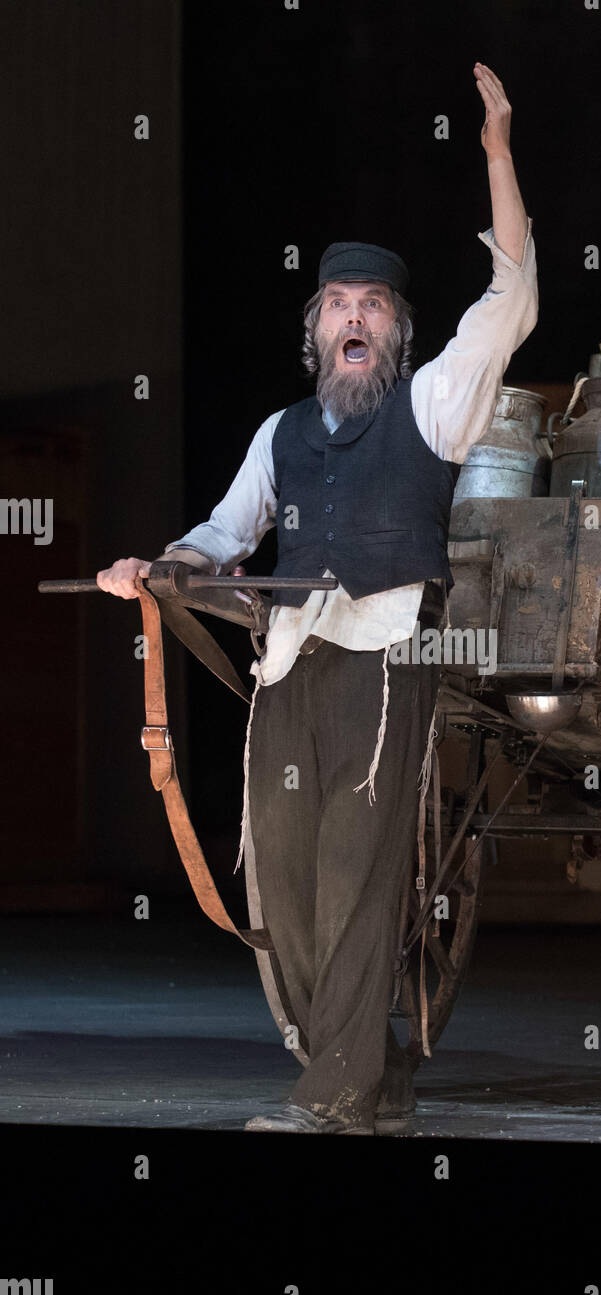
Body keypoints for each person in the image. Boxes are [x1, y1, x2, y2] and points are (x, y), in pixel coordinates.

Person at [97, 62, 537, 1135]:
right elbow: (221, 534)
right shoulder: (281, 432)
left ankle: (333, 1097)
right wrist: (156, 569)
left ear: (395, 331)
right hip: (293, 662)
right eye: (337, 304)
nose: (354, 319)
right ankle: (371, 1084)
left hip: (389, 659)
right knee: (284, 884)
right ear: (316, 330)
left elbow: (511, 300)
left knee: (354, 876)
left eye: (372, 307)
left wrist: (496, 153)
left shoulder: (433, 404)